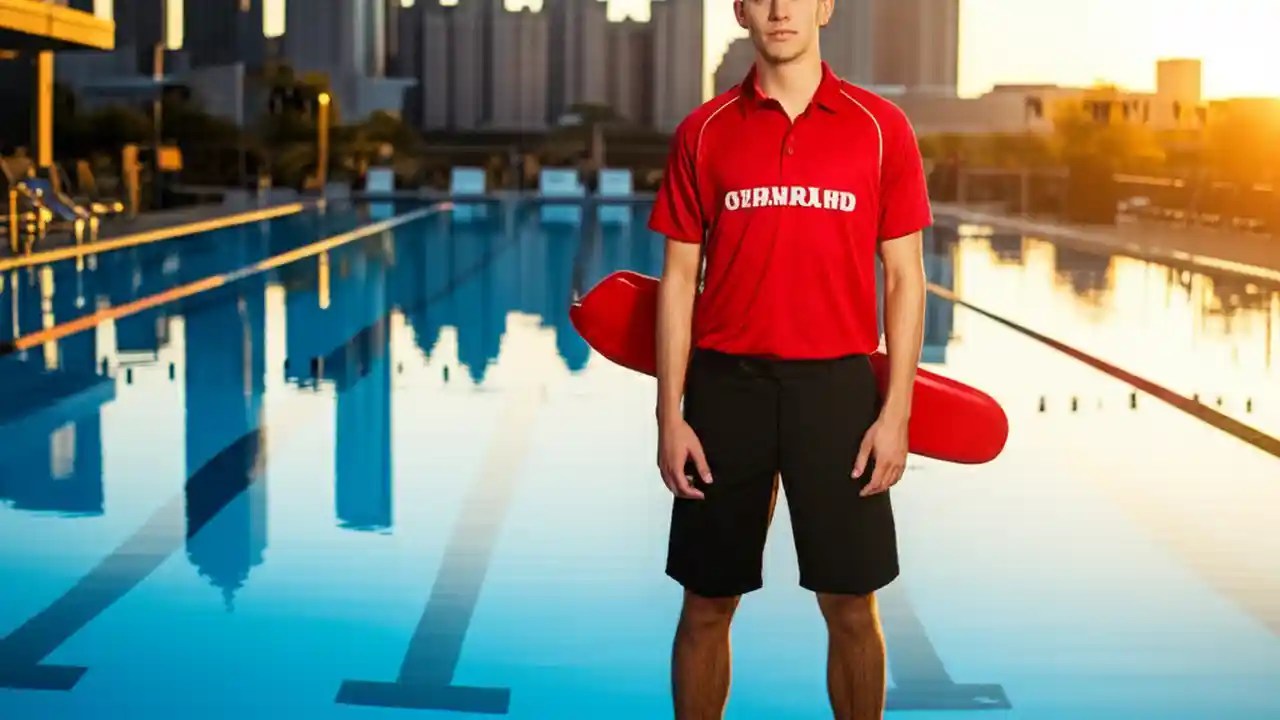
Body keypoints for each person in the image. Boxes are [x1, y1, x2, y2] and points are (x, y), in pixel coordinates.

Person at [647, 0, 931, 717]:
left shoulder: (879, 129)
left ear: (824, 6)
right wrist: (668, 417)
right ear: (740, 10)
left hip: (836, 390)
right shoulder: (704, 132)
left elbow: (904, 276)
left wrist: (896, 413)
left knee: (851, 606)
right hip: (725, 390)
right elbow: (679, 282)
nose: (780, 9)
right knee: (707, 607)